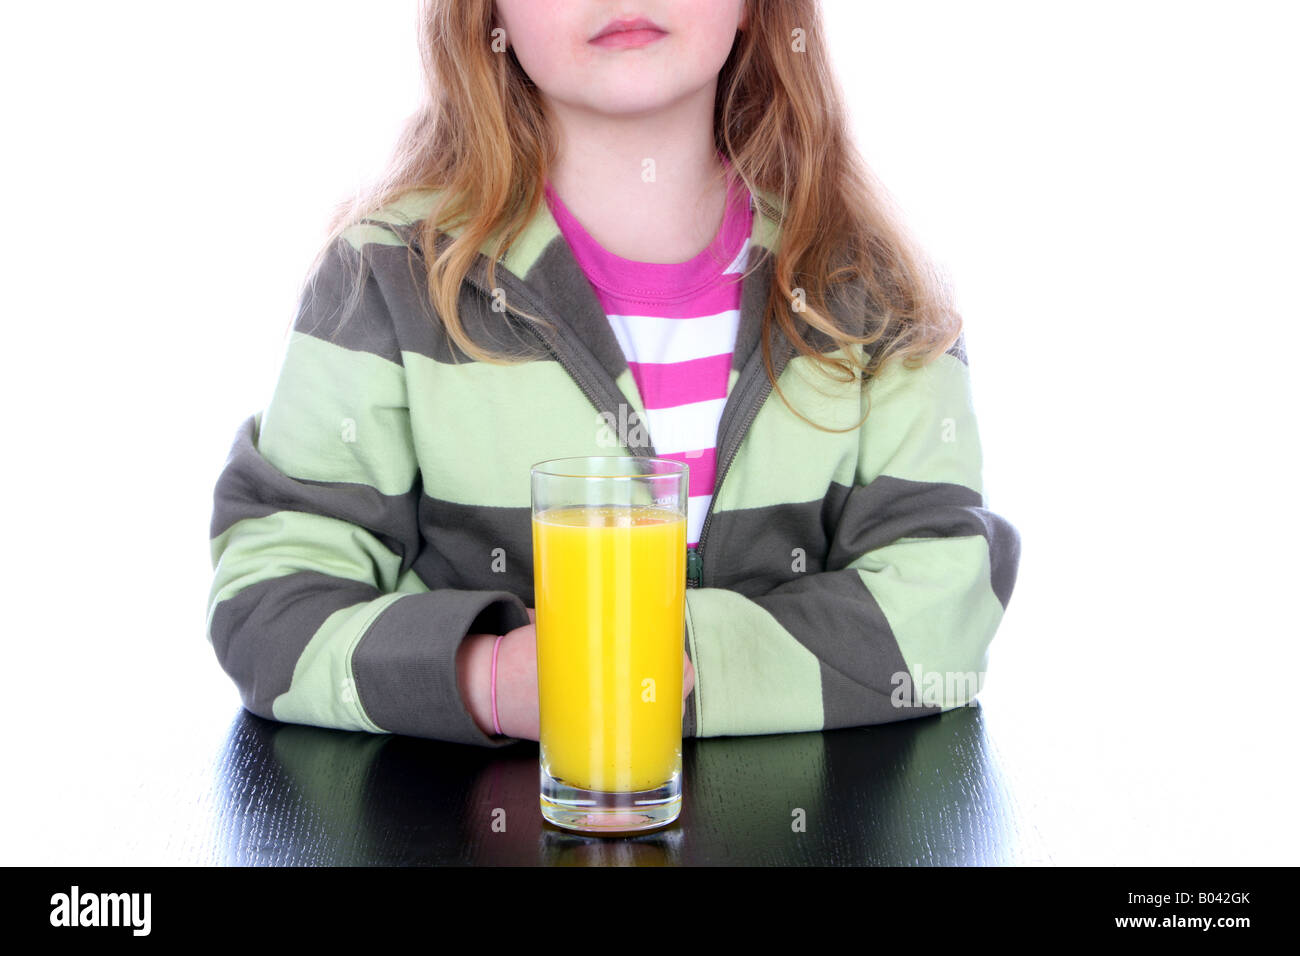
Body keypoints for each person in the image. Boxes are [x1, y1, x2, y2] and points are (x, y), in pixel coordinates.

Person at [207, 0, 1021, 748]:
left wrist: (651, 670)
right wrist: (486, 680)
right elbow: (270, 602)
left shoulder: (869, 296)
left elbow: (946, 604)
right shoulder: (383, 283)